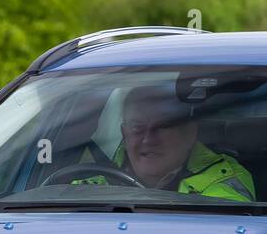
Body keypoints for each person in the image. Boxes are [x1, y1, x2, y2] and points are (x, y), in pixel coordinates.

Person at [76, 85, 255, 201]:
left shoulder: (224, 177)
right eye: (137, 128)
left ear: (190, 133)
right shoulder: (94, 179)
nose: (148, 139)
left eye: (162, 127)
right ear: (125, 134)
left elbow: (222, 227)